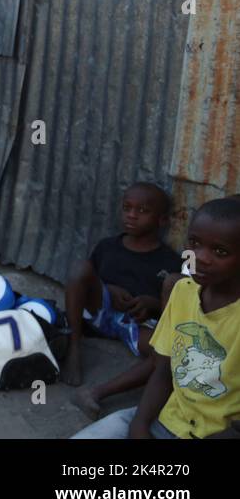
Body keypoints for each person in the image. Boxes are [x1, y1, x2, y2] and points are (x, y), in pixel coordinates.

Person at [72, 198, 240, 439]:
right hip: (167, 418)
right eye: (194, 243)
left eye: (220, 251)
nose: (200, 257)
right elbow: (164, 369)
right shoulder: (183, 291)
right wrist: (139, 425)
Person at [60, 182, 180, 404]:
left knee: (168, 354)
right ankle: (74, 346)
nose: (132, 216)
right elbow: (89, 281)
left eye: (143, 211)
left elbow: (173, 308)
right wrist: (108, 289)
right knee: (79, 268)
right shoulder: (108, 246)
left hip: (138, 325)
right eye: (127, 208)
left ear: (162, 220)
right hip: (103, 312)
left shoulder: (170, 261)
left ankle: (97, 393)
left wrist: (152, 304)